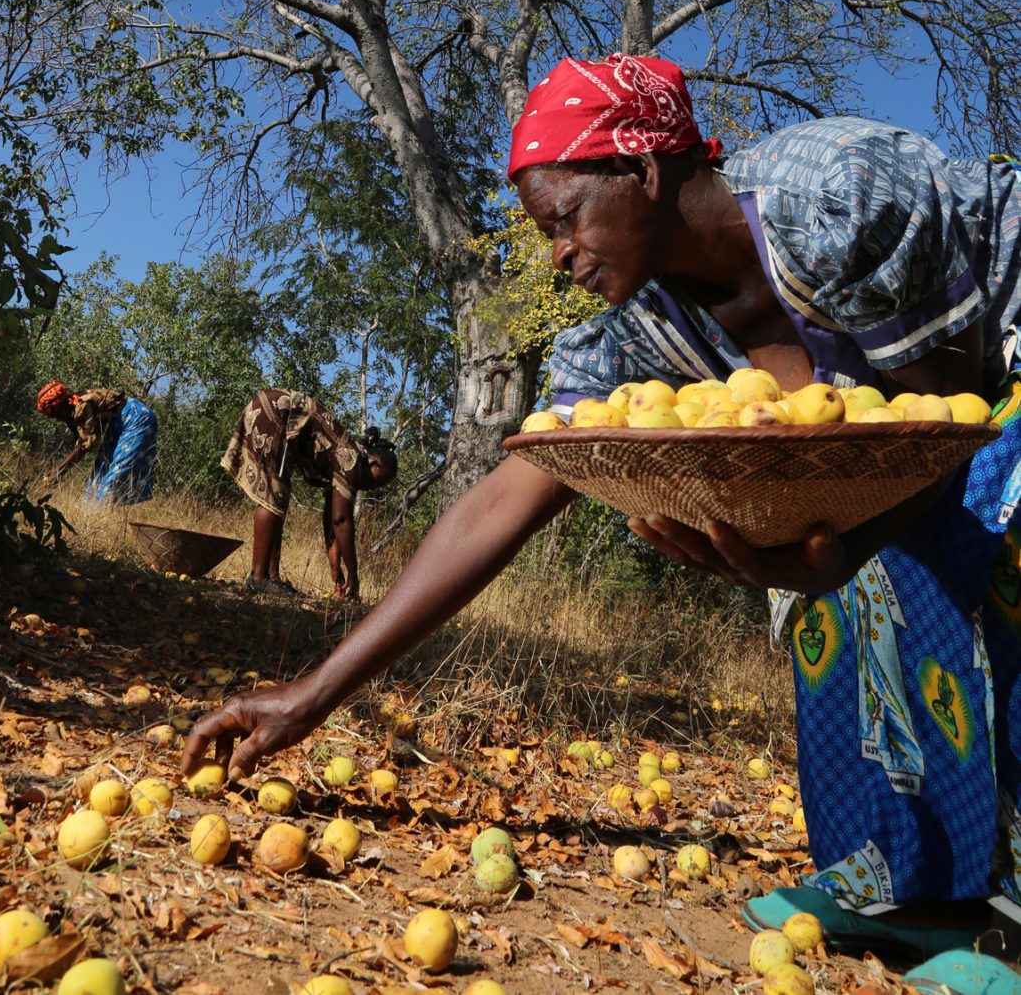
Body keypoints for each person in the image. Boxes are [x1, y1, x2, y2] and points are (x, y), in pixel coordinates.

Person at [182, 55, 1021, 995]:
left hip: (995, 366)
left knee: (984, 538)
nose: (559, 256)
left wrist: (844, 552)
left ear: (645, 172)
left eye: (566, 218)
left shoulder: (839, 195)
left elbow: (942, 427)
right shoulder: (629, 330)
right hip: (908, 442)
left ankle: (1006, 917)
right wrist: (313, 694)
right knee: (826, 598)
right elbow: (512, 492)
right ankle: (907, 887)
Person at [221, 387, 398, 599]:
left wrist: (335, 568)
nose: (371, 488)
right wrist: (353, 573)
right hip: (276, 412)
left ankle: (271, 577)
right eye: (377, 481)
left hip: (273, 409)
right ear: (373, 463)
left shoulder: (346, 458)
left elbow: (331, 520)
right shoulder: (350, 458)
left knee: (279, 499)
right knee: (272, 496)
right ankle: (258, 578)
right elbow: (341, 520)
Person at [37, 381, 157, 504]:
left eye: (55, 414)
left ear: (62, 405)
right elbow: (78, 442)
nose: (56, 418)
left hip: (136, 419)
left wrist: (59, 470)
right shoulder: (71, 410)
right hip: (115, 427)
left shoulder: (81, 406)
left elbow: (85, 445)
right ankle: (88, 515)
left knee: (114, 477)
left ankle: (100, 514)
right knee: (97, 479)